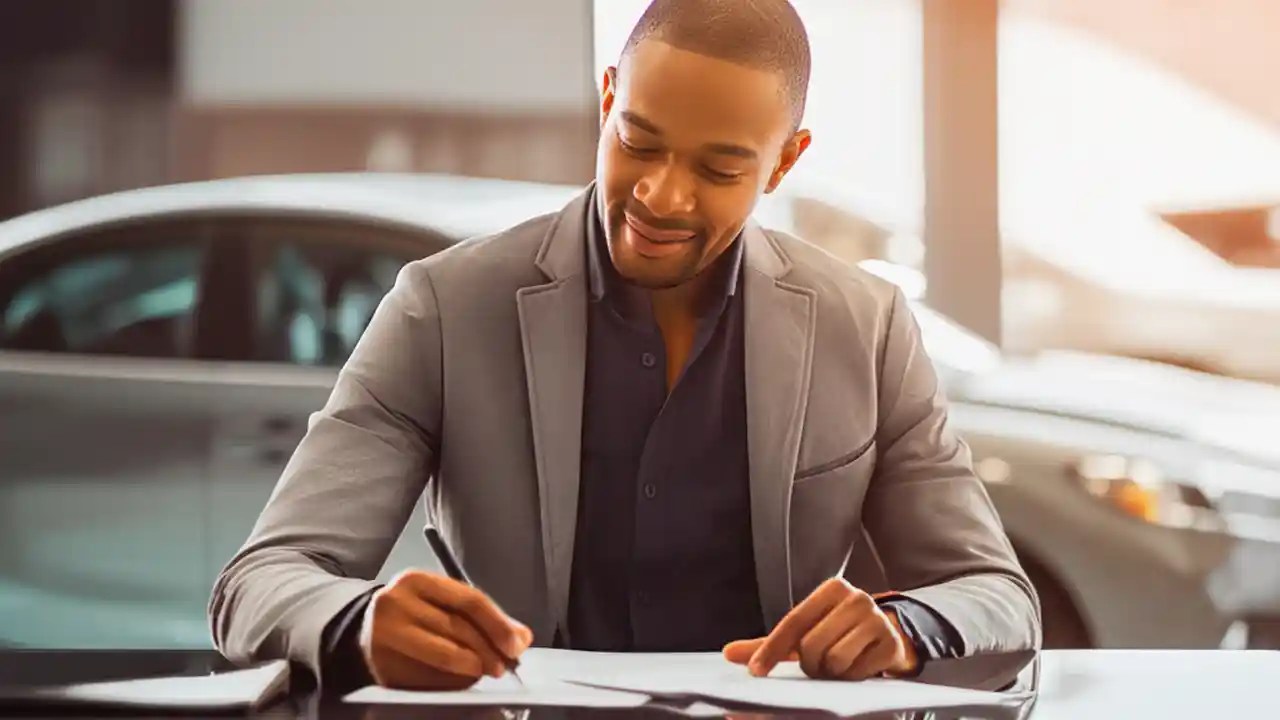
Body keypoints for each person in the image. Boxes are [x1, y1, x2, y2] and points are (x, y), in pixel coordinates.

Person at [209, 0, 1040, 692]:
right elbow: (258, 584)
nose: (659, 195)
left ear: (785, 162)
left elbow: (998, 596)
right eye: (638, 142)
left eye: (718, 170)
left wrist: (906, 626)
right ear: (607, 98)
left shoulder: (869, 325)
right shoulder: (445, 307)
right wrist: (358, 625)